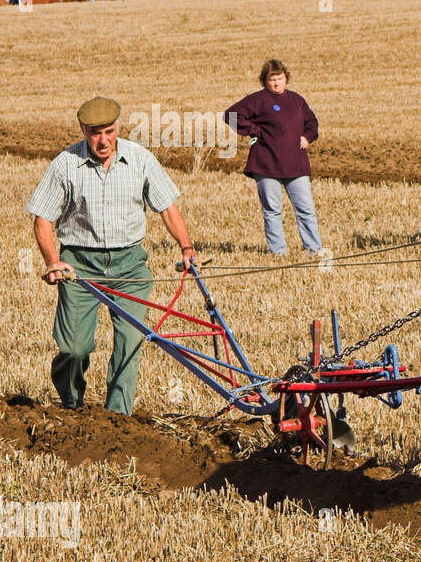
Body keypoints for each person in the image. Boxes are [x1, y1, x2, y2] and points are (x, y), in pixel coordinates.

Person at [26, 96, 199, 414]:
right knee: (74, 348)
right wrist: (52, 260)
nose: (103, 140)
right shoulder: (65, 164)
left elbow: (168, 209)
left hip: (129, 266)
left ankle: (118, 419)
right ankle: (71, 403)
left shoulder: (140, 159)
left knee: (129, 344)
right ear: (83, 130)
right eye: (95, 133)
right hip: (79, 266)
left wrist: (186, 248)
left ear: (118, 127)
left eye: (108, 131)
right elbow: (42, 219)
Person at [223, 59, 323, 256]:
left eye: (280, 78)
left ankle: (314, 249)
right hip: (266, 164)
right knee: (272, 211)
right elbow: (230, 115)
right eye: (272, 79)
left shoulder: (296, 100)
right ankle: (279, 253)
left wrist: (307, 136)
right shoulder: (257, 100)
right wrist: (254, 131)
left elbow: (312, 122)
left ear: (286, 78)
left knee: (306, 209)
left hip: (296, 164)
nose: (277, 83)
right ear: (265, 81)